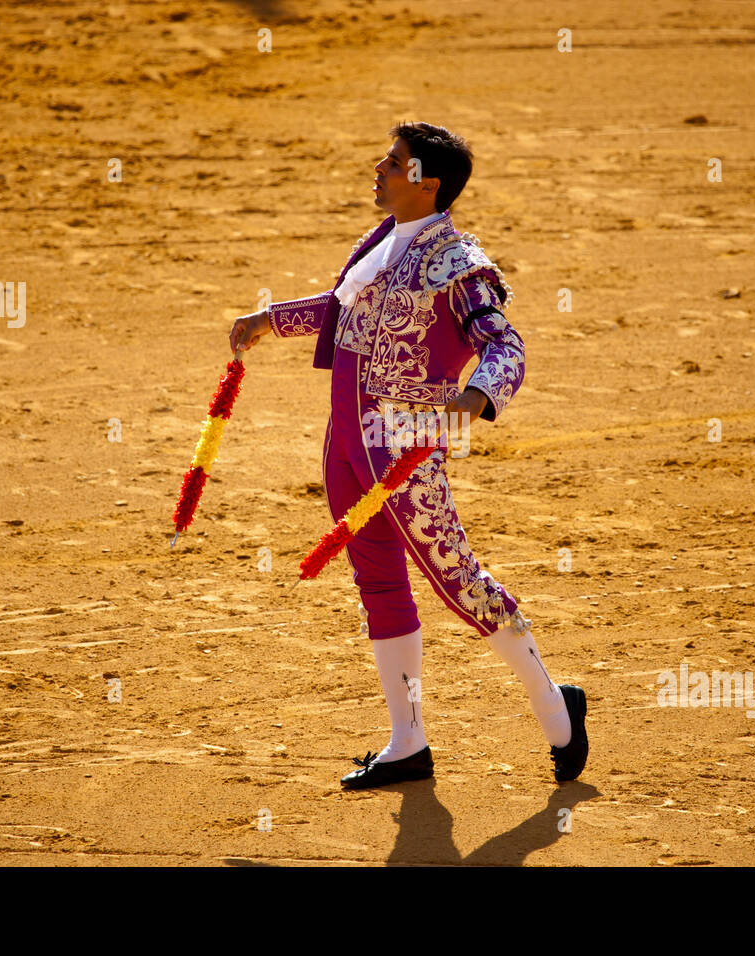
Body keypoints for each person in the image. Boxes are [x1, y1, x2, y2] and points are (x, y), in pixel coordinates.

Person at [228, 122, 588, 789]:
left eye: (393, 162)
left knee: (458, 581)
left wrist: (477, 396)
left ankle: (554, 706)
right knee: (380, 585)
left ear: (426, 179)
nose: (379, 168)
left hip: (404, 450)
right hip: (345, 444)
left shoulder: (461, 264)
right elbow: (341, 313)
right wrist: (269, 320)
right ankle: (407, 743)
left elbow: (505, 345)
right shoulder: (380, 244)